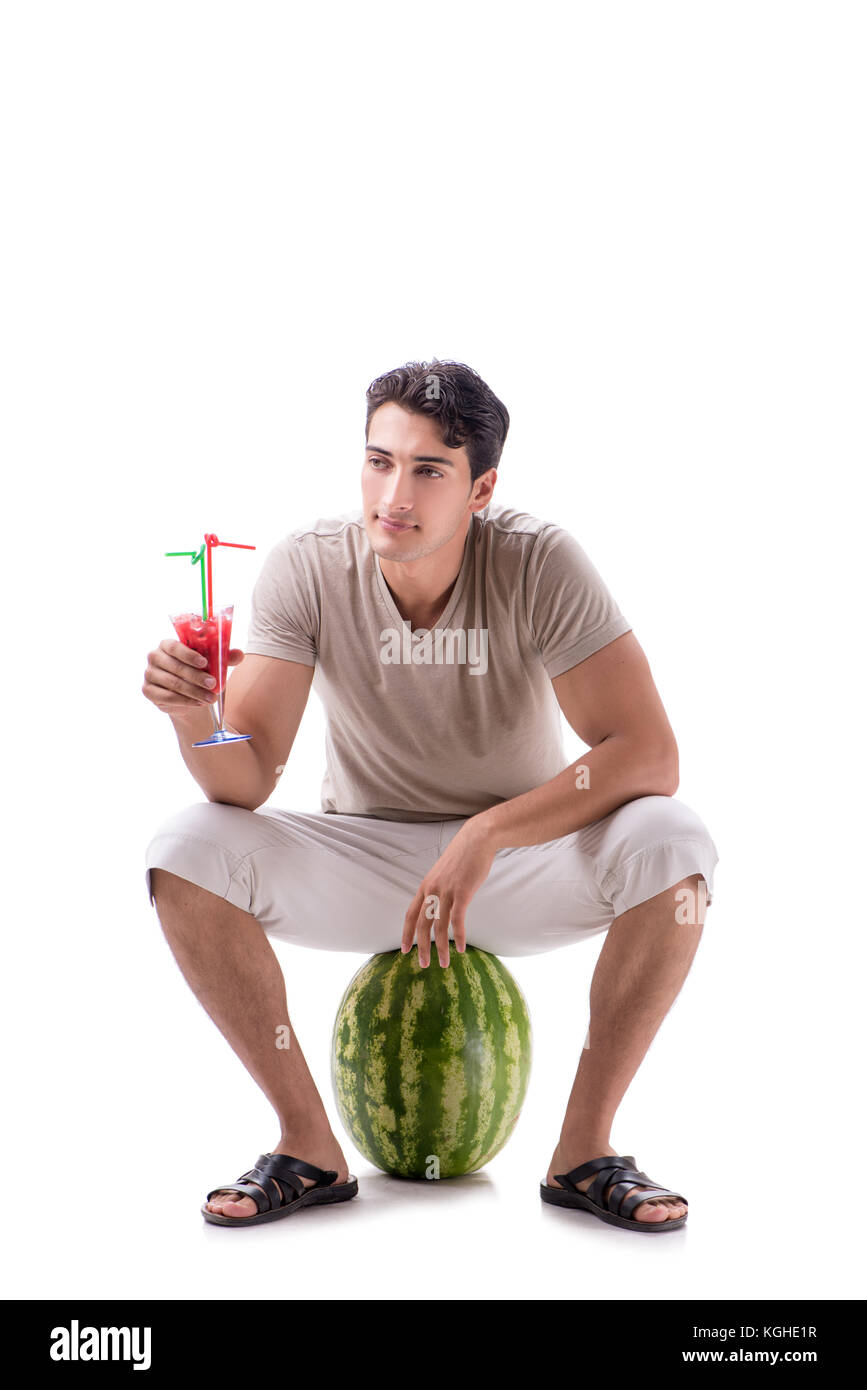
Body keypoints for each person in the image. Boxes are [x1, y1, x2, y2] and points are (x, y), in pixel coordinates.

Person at [142, 359, 718, 1232]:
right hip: (368, 861)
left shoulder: (538, 561)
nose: (393, 495)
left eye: (428, 470)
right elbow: (246, 779)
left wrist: (488, 833)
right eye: (378, 461)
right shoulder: (306, 566)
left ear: (481, 488)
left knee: (672, 839)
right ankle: (308, 1145)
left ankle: (584, 1151)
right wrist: (194, 717)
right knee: (184, 847)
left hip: (517, 863)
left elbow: (646, 752)